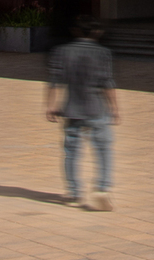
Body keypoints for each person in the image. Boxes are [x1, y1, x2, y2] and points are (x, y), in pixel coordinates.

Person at [45, 18, 117, 208]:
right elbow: (107, 83)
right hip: (97, 109)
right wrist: (114, 108)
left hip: (72, 109)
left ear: (75, 31)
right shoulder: (103, 53)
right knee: (103, 150)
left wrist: (50, 105)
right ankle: (102, 188)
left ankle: (74, 192)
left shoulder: (62, 51)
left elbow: (54, 81)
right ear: (96, 32)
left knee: (71, 152)